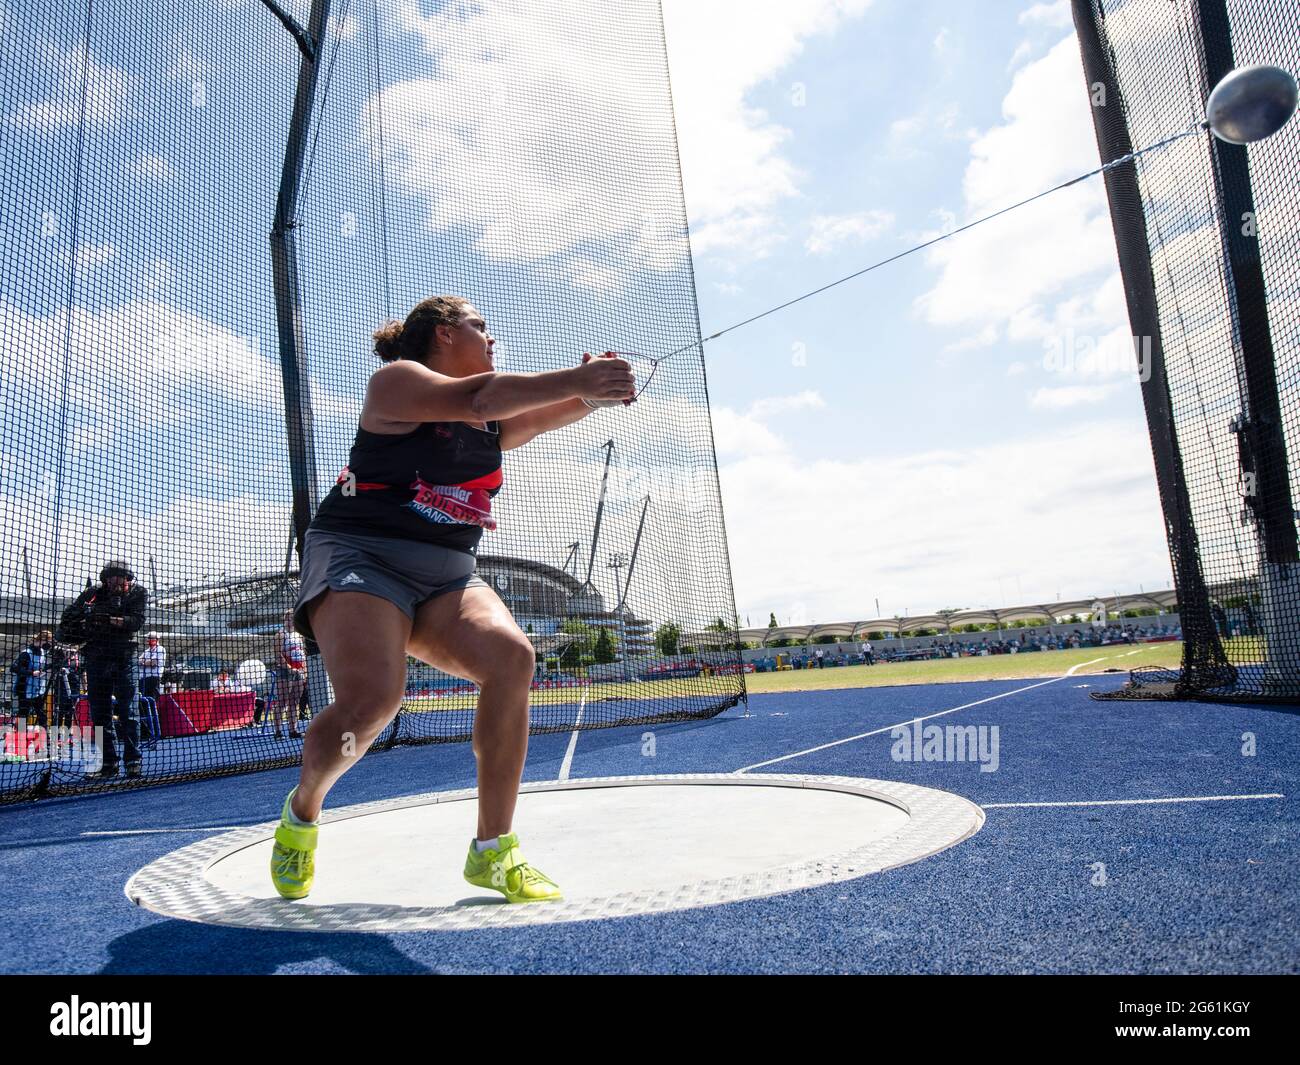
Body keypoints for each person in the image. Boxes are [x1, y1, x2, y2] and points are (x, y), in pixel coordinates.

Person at [270, 295, 635, 904]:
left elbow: (534, 416)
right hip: (362, 555)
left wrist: (596, 393)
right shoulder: (398, 381)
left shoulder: (492, 419)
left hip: (445, 572)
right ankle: (302, 813)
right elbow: (480, 397)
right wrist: (578, 378)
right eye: (480, 326)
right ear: (443, 334)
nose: (492, 337)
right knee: (370, 704)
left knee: (511, 658)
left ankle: (494, 853)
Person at [58, 560, 149, 779]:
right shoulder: (93, 594)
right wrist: (86, 619)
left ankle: (132, 761)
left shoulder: (138, 592)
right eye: (112, 578)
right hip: (97, 656)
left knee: (129, 711)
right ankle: (108, 763)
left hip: (124, 656)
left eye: (121, 578)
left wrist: (108, 620)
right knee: (100, 714)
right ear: (106, 579)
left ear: (128, 579)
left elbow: (135, 622)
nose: (116, 583)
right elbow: (68, 618)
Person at [272, 611, 306, 740]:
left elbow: (302, 652)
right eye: (288, 618)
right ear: (284, 619)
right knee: (282, 701)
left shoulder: (299, 635)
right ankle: (278, 732)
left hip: (299, 670)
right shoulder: (281, 635)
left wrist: (304, 670)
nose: (291, 621)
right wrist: (290, 668)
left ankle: (293, 730)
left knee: (294, 701)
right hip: (285, 672)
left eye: (293, 618)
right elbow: (278, 655)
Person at [11, 630, 51, 729]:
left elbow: (41, 667)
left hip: (37, 689)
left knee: (41, 714)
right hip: (25, 689)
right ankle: (20, 737)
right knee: (23, 714)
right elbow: (14, 668)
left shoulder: (42, 652)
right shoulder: (26, 653)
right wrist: (31, 673)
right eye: (47, 641)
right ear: (42, 640)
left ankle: (46, 736)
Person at [137, 632, 166, 706]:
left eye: (150, 638)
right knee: (142, 698)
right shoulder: (146, 651)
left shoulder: (160, 649)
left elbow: (153, 663)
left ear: (155, 639)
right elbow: (138, 661)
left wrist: (143, 662)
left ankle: (153, 716)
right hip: (144, 678)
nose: (148, 640)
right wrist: (144, 662)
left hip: (154, 678)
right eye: (148, 638)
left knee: (152, 698)